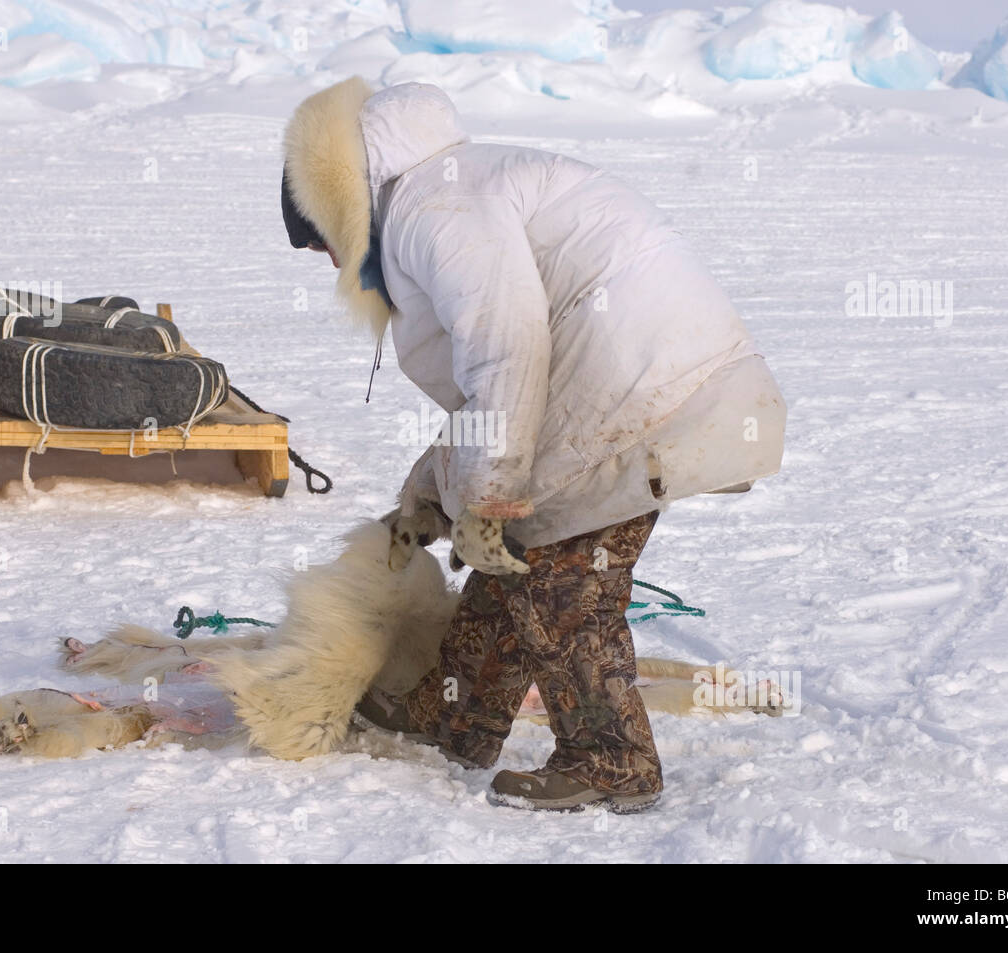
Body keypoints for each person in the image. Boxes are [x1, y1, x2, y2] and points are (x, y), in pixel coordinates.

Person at [281, 77, 786, 812]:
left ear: (342, 204)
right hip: (636, 380)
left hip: (649, 388)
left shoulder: (434, 207)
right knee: (519, 555)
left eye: (322, 241)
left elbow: (507, 351)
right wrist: (429, 496)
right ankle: (457, 715)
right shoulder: (442, 191)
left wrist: (485, 498)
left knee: (560, 579)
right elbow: (496, 395)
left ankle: (611, 758)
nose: (330, 264)